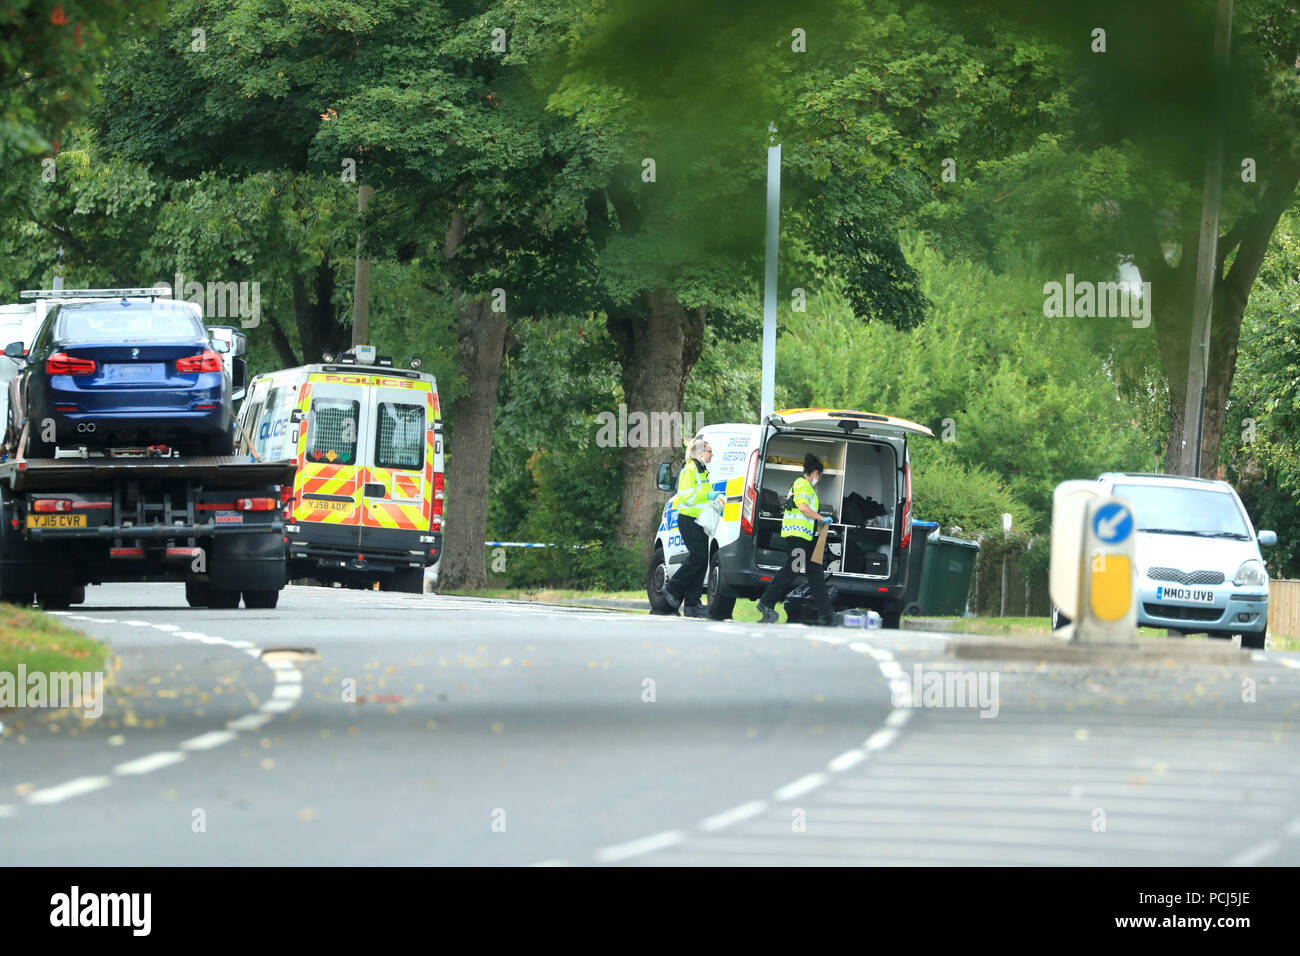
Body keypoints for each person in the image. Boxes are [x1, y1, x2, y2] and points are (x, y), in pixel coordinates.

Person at [757, 453, 835, 625]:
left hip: (805, 538)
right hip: (798, 536)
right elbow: (802, 507)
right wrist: (821, 518)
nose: (819, 480)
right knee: (793, 568)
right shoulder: (803, 484)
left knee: (815, 573)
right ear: (816, 473)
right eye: (820, 477)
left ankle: (827, 614)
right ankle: (766, 602)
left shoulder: (804, 485)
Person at [664, 436, 721, 618]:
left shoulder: (702, 471)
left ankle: (692, 604)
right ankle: (672, 588)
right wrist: (708, 496)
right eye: (709, 451)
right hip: (689, 520)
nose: (712, 455)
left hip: (699, 521)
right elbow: (686, 496)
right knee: (698, 557)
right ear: (699, 452)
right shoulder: (690, 470)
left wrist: (714, 500)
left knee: (702, 560)